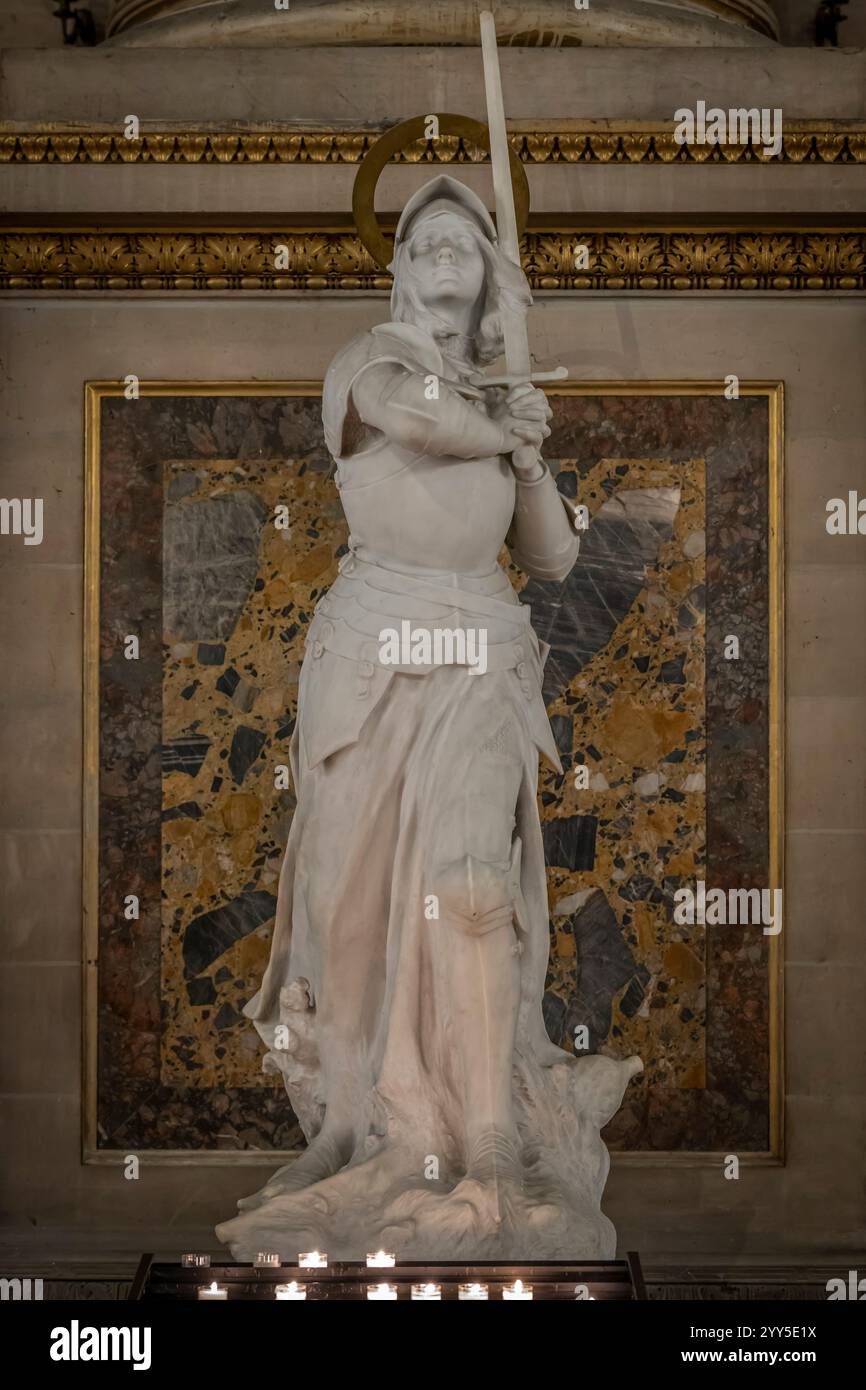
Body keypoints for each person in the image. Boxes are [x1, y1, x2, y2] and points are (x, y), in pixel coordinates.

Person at [217, 176, 640, 1260]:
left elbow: (552, 557)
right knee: (348, 907)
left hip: (480, 653)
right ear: (400, 269)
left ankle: (491, 1140)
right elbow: (418, 416)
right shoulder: (372, 361)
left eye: (466, 241)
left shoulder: (498, 398)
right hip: (372, 656)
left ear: (489, 274)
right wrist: (501, 417)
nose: (446, 251)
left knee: (472, 889)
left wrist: (530, 453)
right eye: (427, 240)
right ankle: (352, 1127)